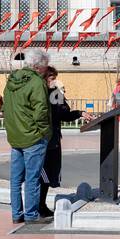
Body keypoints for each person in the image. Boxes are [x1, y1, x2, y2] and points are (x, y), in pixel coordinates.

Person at [3, 48, 52, 225]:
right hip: (33, 137)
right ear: (39, 67)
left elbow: (6, 108)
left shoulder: (11, 81)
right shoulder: (37, 83)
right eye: (46, 68)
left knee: (16, 180)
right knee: (32, 178)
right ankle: (31, 215)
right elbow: (41, 111)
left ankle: (17, 214)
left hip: (16, 136)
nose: (46, 71)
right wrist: (44, 132)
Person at [38, 66, 86, 216]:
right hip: (41, 139)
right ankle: (37, 206)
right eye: (51, 79)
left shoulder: (56, 94)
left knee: (49, 175)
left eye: (55, 78)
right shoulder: (38, 94)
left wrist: (79, 113)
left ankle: (41, 205)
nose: (54, 81)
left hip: (53, 140)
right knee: (41, 175)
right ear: (44, 79)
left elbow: (64, 114)